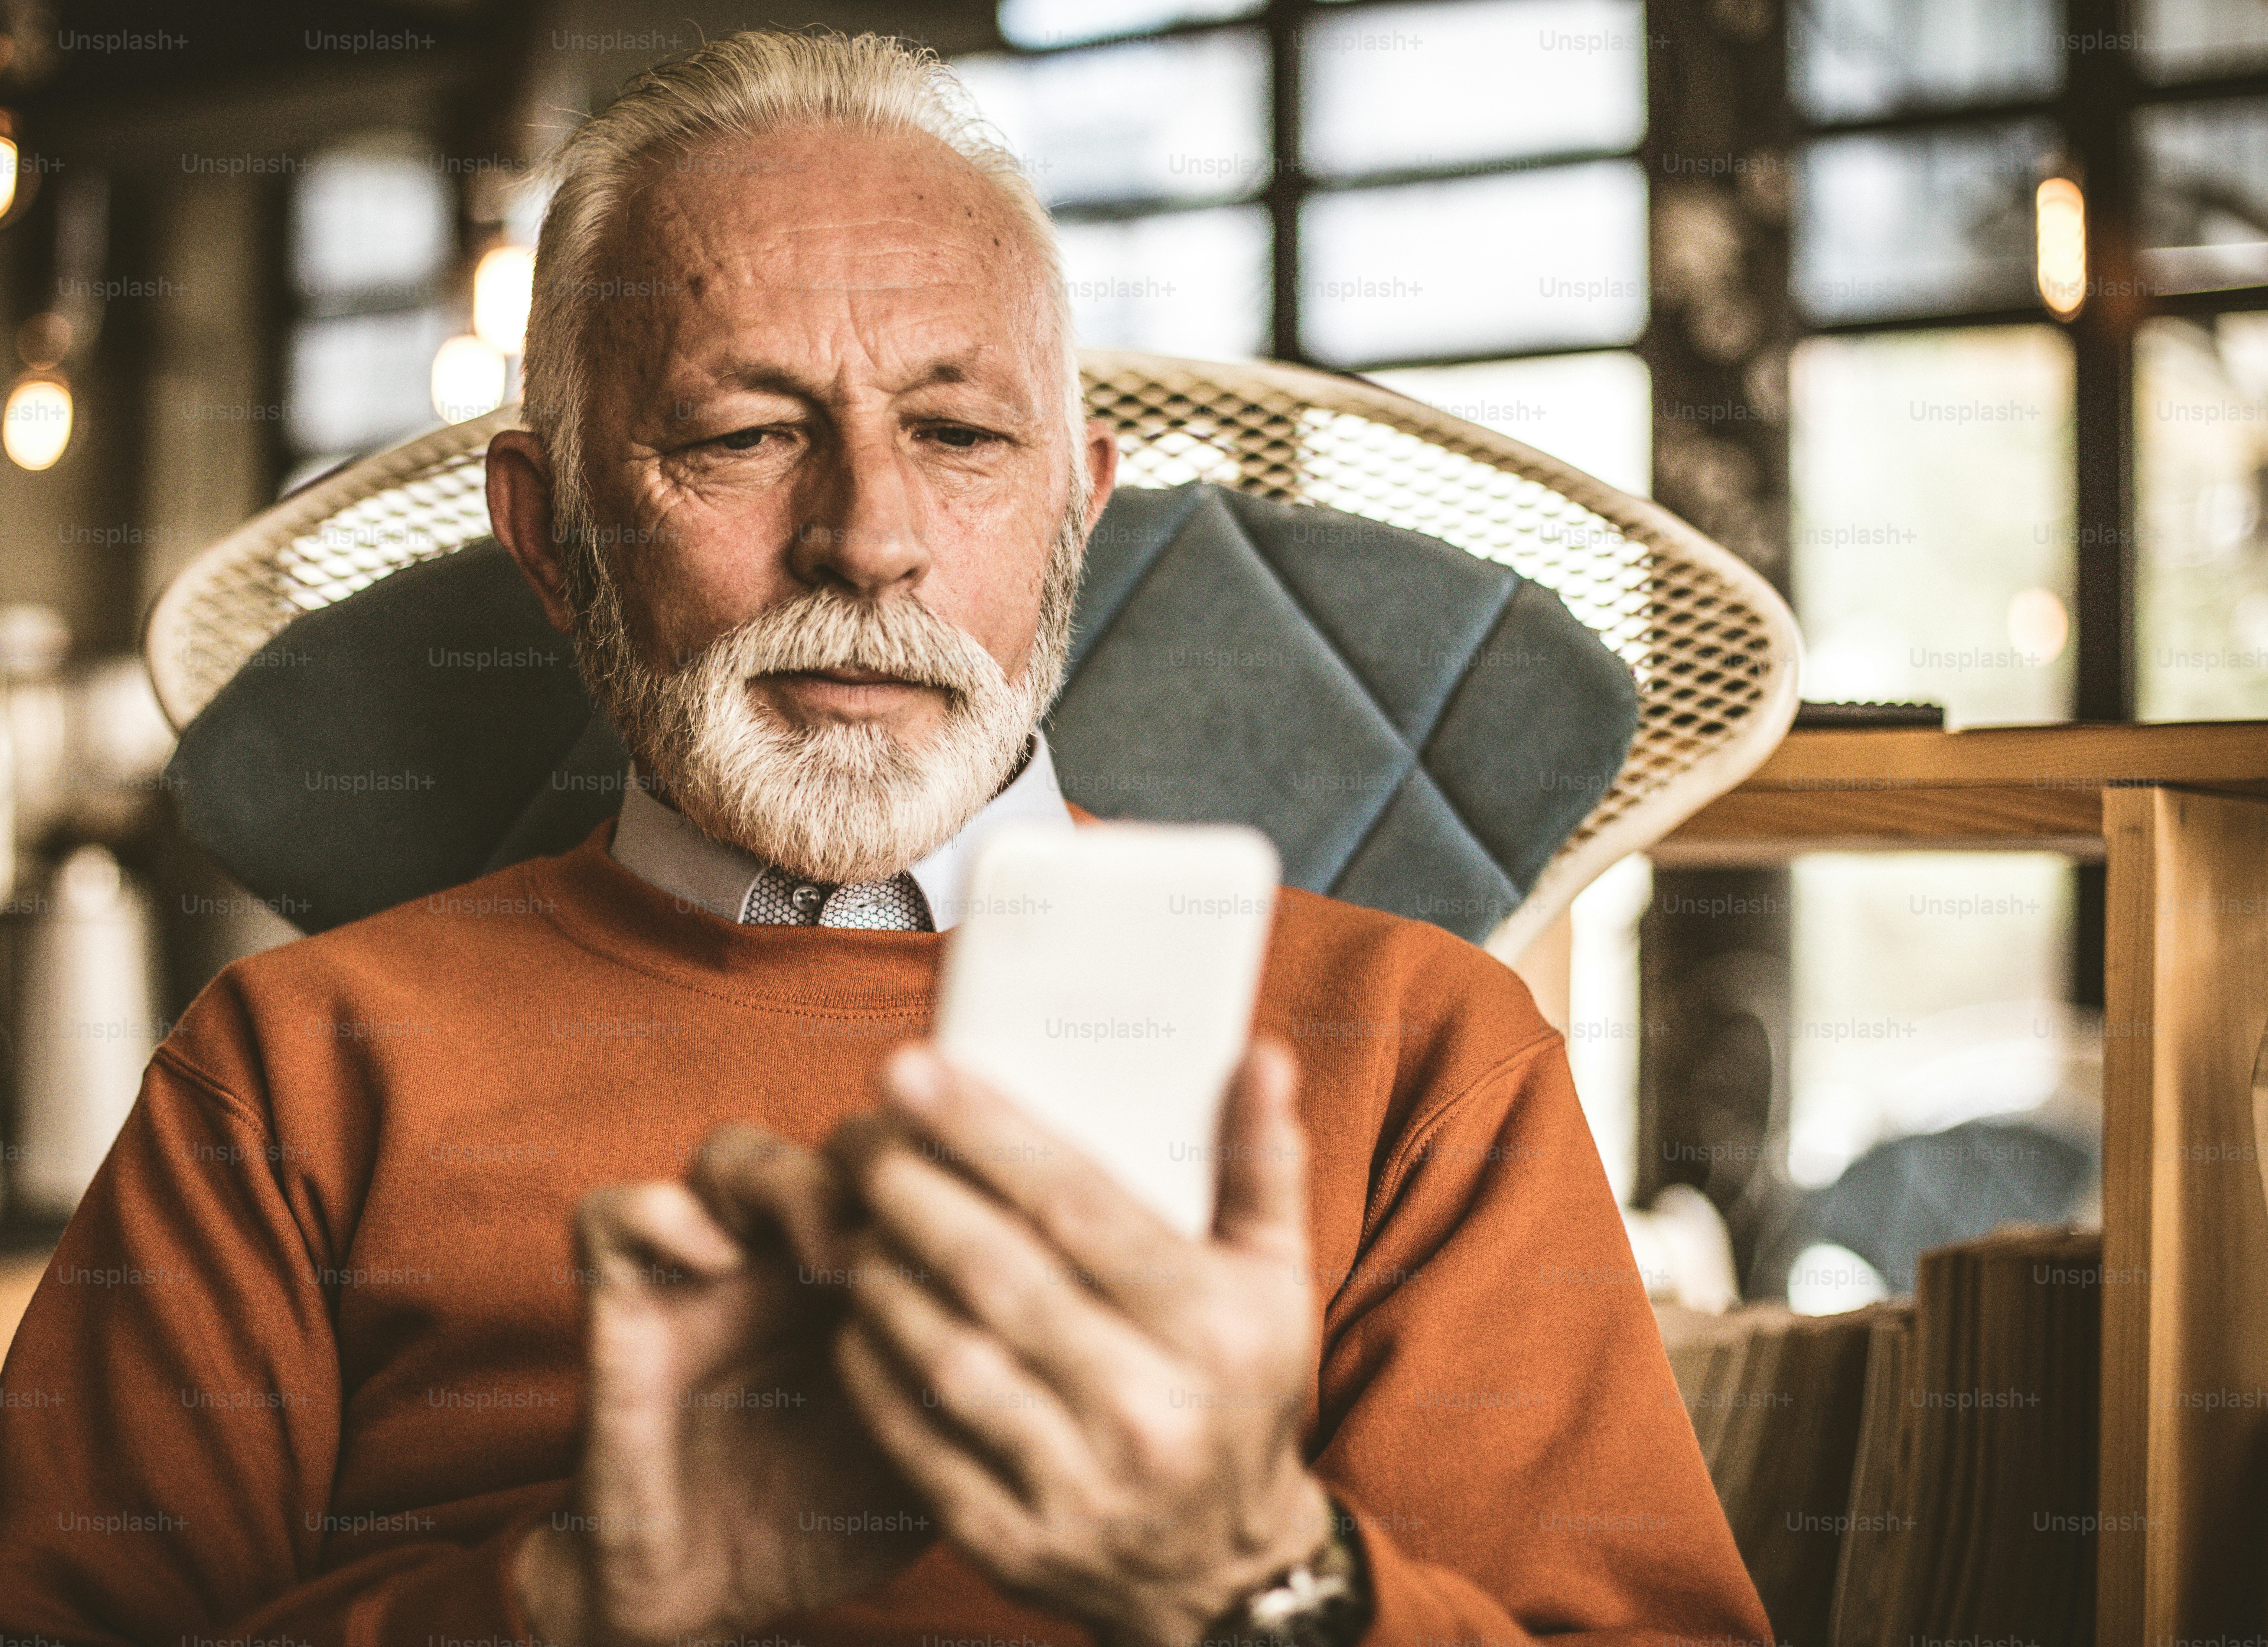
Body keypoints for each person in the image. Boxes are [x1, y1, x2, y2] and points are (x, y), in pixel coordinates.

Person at [0, 30, 1772, 1647]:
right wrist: (555, 1601)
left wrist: (1258, 1571)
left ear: (1075, 506)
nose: (870, 537)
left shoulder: (1416, 1053)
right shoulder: (290, 1072)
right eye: (744, 432)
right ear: (548, 537)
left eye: (958, 431)